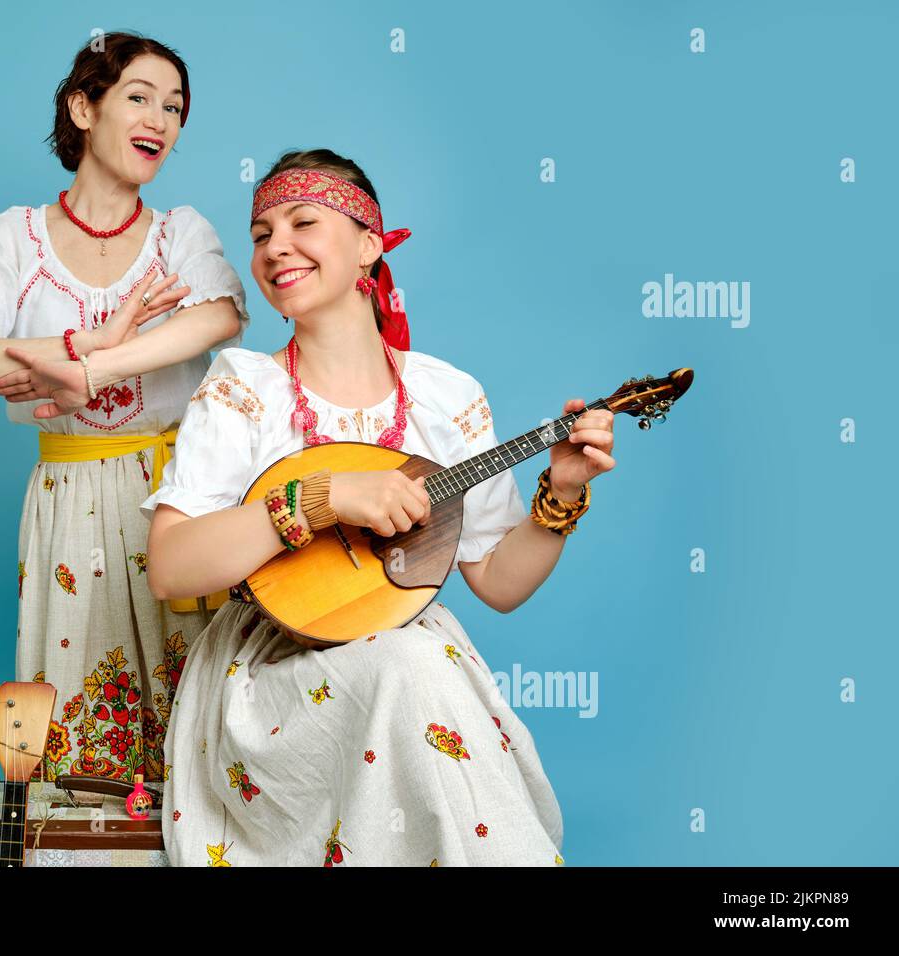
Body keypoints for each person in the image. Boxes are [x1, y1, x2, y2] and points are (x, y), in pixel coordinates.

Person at [140, 149, 617, 866]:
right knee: (409, 670)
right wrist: (323, 498)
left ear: (369, 245)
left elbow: (498, 581)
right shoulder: (243, 387)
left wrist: (563, 493)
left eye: (303, 222)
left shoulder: (445, 396)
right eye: (261, 232)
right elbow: (172, 569)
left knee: (410, 665)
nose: (276, 248)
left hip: (409, 663)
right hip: (275, 675)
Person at [0, 33, 249, 783]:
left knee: (200, 732)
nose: (161, 121)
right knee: (79, 750)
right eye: (139, 97)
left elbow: (220, 318)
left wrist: (77, 366)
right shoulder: (11, 238)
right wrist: (82, 340)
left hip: (180, 496)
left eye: (174, 108)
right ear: (83, 107)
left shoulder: (182, 234)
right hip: (69, 504)